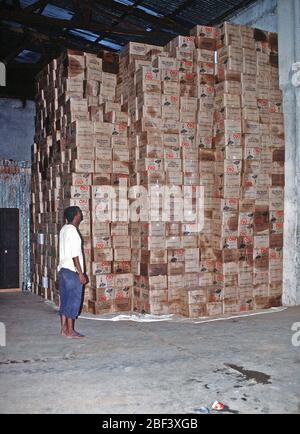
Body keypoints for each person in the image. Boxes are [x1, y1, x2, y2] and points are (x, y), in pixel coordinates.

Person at [58, 206, 88, 339]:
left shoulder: (64, 229)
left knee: (64, 301)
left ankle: (63, 329)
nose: (81, 214)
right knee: (73, 302)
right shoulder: (73, 231)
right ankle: (71, 331)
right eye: (79, 213)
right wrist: (80, 273)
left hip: (63, 270)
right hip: (72, 272)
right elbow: (75, 255)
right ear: (76, 216)